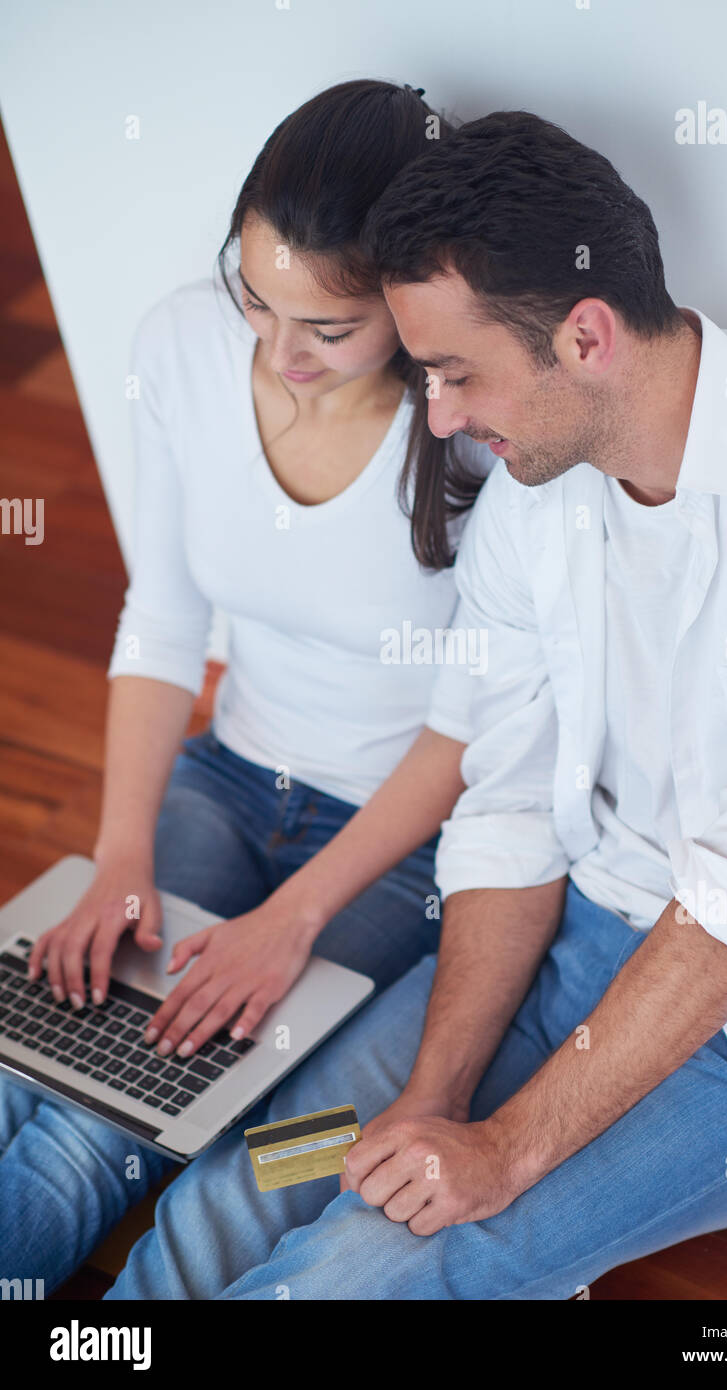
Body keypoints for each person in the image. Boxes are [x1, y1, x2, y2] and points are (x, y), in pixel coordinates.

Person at [103, 110, 727, 1302]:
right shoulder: (534, 494)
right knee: (237, 1191)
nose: (441, 416)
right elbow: (508, 807)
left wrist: (501, 1149)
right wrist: (432, 1096)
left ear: (586, 333)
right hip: (559, 947)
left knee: (349, 1271)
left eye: (456, 373)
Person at [0, 80, 492, 1293]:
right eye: (255, 297)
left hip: (399, 847)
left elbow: (469, 728)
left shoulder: (481, 429)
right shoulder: (177, 343)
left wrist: (297, 919)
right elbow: (164, 617)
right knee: (32, 1057)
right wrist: (119, 858)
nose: (278, 352)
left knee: (107, 1122)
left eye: (327, 327)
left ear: (411, 304)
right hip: (229, 774)